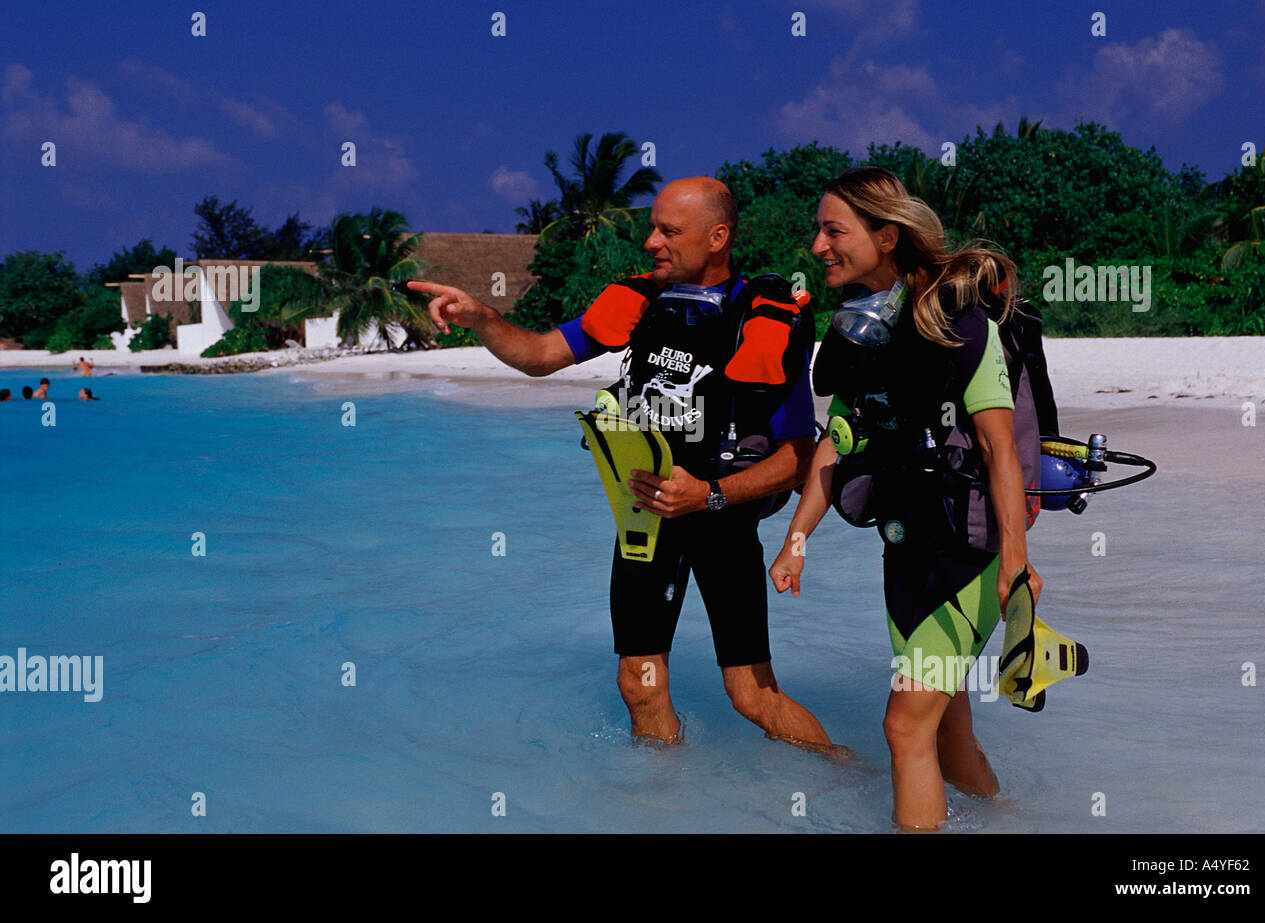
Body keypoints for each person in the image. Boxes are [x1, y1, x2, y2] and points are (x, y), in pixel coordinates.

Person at [410, 177, 834, 749]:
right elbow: (538, 356)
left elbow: (799, 460)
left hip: (720, 522)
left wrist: (707, 494)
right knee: (638, 683)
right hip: (645, 524)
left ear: (717, 236)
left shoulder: (764, 319)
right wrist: (481, 316)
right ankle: (656, 805)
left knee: (750, 695)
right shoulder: (641, 304)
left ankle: (842, 773)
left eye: (669, 231)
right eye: (652, 227)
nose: (651, 242)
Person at [769, 167, 1043, 828]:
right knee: (945, 730)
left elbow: (1001, 446)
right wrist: (794, 541)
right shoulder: (858, 333)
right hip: (905, 554)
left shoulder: (959, 320)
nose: (817, 245)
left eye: (834, 230)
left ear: (886, 236)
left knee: (901, 727)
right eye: (818, 229)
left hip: (967, 553)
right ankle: (1009, 817)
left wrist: (1015, 559)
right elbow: (835, 446)